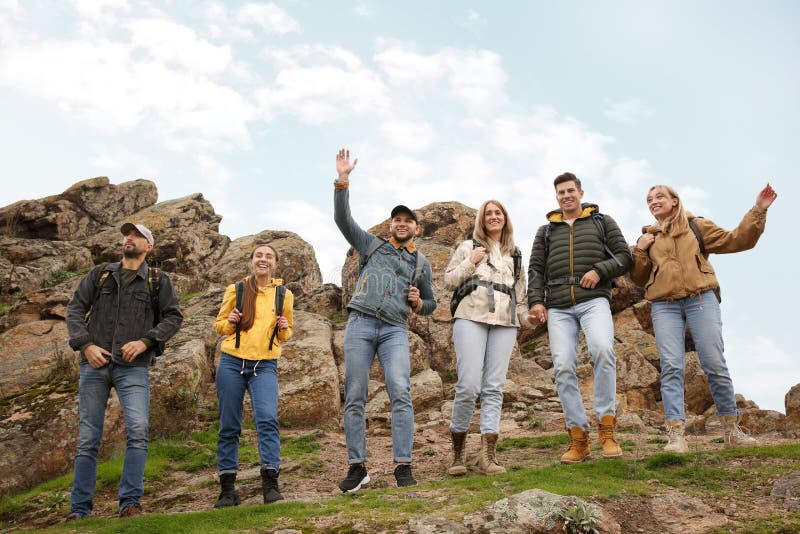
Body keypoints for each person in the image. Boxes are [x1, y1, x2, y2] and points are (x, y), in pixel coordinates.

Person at [630, 183, 777, 452]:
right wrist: (639, 250)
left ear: (675, 201)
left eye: (659, 196)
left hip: (701, 298)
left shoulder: (696, 226)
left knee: (714, 363)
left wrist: (758, 211)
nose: (653, 201)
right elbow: (638, 278)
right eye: (649, 199)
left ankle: (731, 430)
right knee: (672, 367)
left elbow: (737, 240)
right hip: (664, 306)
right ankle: (676, 435)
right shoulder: (648, 238)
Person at [333, 148, 437, 492]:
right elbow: (343, 221)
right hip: (360, 323)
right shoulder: (372, 245)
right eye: (397, 219)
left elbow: (431, 305)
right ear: (391, 225)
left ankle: (403, 466)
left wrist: (419, 302)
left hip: (394, 329)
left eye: (407, 220)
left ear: (416, 228)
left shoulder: (421, 263)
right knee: (355, 395)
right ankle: (357, 467)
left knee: (401, 392)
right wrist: (343, 182)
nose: (401, 223)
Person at [65, 222, 183, 519]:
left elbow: (173, 318)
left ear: (148, 246)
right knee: (88, 438)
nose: (129, 239)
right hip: (95, 364)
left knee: (139, 431)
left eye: (136, 236)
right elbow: (75, 310)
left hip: (134, 369)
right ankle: (79, 510)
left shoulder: (158, 280)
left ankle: (130, 503)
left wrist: (145, 342)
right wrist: (86, 345)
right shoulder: (101, 274)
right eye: (126, 235)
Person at [527, 172, 632, 464]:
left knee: (602, 350)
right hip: (558, 306)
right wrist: (536, 301)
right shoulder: (545, 231)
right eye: (561, 193)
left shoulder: (602, 222)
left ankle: (607, 429)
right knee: (562, 367)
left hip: (594, 299)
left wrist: (600, 270)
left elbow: (625, 257)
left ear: (581, 192)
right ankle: (578, 439)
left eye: (570, 191)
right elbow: (535, 269)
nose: (566, 196)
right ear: (556, 197)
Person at [444, 200, 529, 476]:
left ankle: (487, 457)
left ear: (505, 218)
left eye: (498, 213)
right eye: (488, 213)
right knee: (468, 385)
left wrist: (530, 319)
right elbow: (449, 280)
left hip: (505, 322)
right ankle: (458, 453)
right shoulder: (469, 247)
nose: (494, 217)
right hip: (470, 317)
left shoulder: (515, 255)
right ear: (481, 219)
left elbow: (521, 296)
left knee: (494, 387)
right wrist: (471, 262)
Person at [212, 243, 294, 506]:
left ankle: (270, 484)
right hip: (232, 363)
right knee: (229, 425)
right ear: (251, 261)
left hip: (265, 365)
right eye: (259, 255)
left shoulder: (284, 294)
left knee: (267, 419)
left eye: (269, 256)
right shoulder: (235, 290)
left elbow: (286, 332)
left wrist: (283, 327)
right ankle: (227, 490)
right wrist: (231, 321)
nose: (263, 259)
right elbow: (219, 325)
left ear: (275, 264)